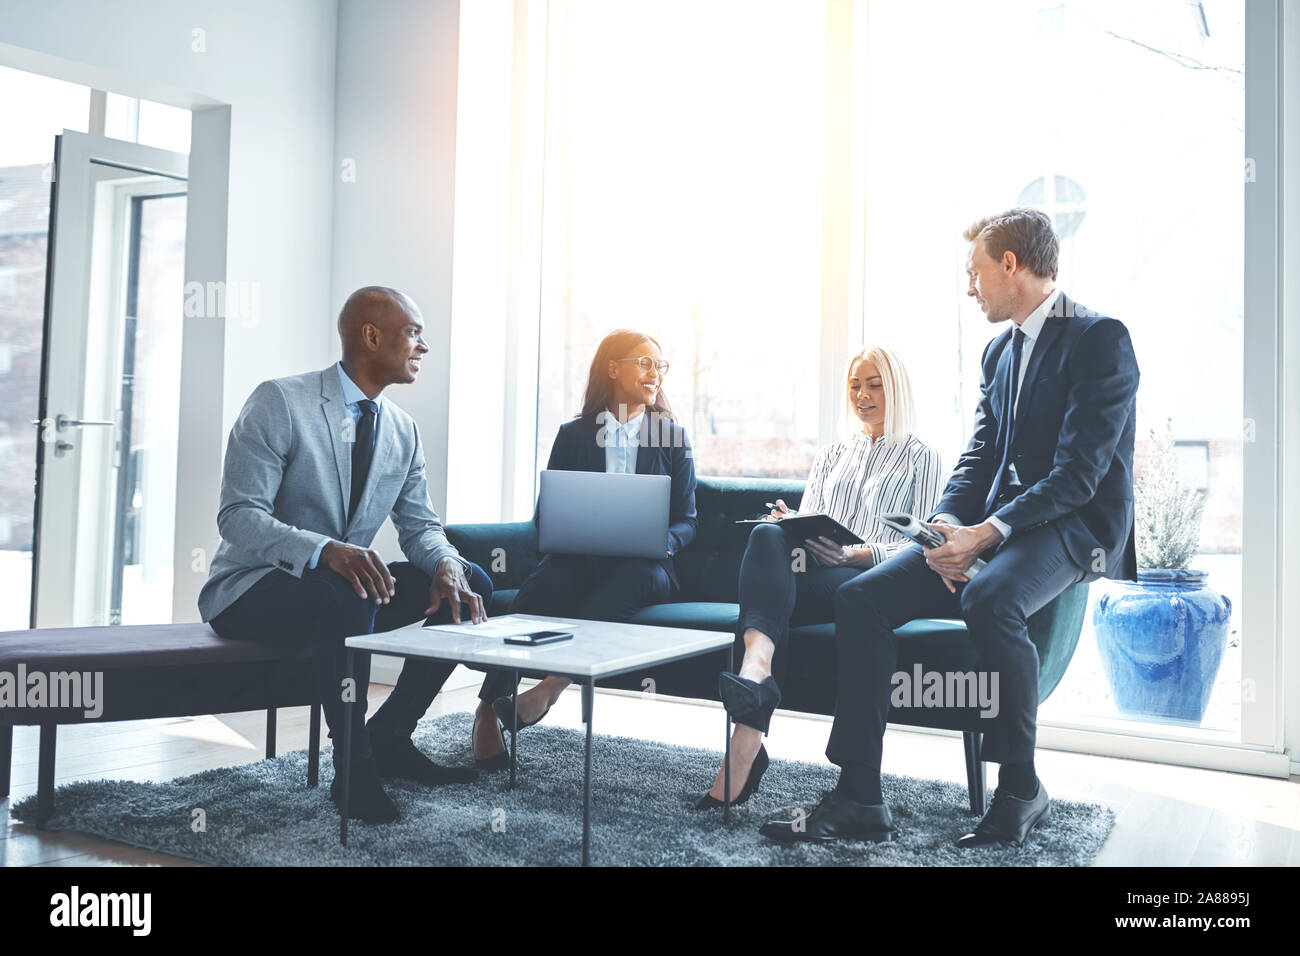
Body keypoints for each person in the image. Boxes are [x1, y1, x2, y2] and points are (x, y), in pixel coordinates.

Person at [761, 208, 1139, 848]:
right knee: (862, 597)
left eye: (976, 273)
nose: (971, 288)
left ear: (1011, 266)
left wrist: (986, 533)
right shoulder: (1000, 351)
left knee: (990, 595)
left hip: (1074, 526)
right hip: (994, 521)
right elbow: (979, 456)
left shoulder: (1099, 338)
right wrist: (943, 526)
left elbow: (1080, 474)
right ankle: (858, 795)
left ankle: (1020, 787)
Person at [200, 286, 491, 825]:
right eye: (414, 332)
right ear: (371, 336)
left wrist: (446, 562)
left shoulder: (402, 429)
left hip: (339, 595)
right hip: (252, 589)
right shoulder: (281, 401)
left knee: (470, 582)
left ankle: (390, 736)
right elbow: (237, 516)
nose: (424, 346)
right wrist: (323, 550)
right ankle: (353, 770)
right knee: (343, 588)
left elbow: (419, 526)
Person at [696, 346, 943, 809]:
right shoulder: (832, 453)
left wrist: (859, 554)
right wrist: (795, 520)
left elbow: (920, 543)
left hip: (863, 582)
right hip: (811, 572)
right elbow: (813, 516)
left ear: (895, 389)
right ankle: (758, 667)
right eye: (855, 386)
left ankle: (744, 744)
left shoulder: (921, 456)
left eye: (873, 385)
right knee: (769, 534)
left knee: (766, 609)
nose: (862, 396)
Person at [471, 329, 697, 767]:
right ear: (613, 368)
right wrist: (563, 536)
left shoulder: (671, 435)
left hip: (645, 567)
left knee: (631, 579)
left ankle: (548, 688)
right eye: (644, 363)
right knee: (541, 588)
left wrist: (662, 543)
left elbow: (688, 520)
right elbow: (550, 511)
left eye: (660, 365)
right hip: (581, 559)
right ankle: (488, 706)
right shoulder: (574, 435)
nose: (655, 374)